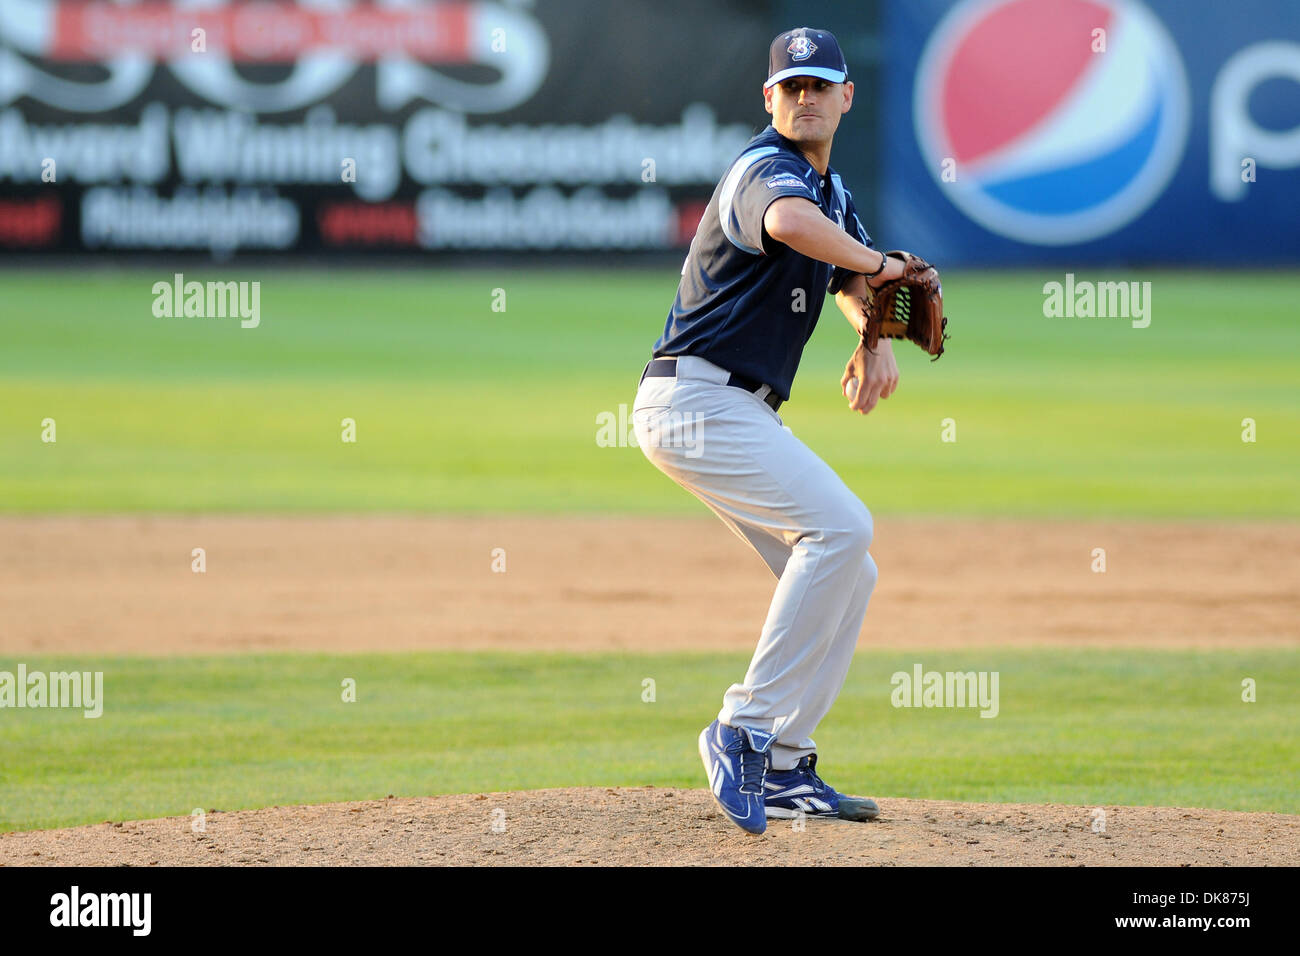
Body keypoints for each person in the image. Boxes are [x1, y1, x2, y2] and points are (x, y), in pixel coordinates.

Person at [632, 27, 910, 835]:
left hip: (734, 411)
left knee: (850, 568)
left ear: (846, 96)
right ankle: (743, 729)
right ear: (770, 100)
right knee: (842, 525)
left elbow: (849, 278)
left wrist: (873, 332)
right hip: (693, 404)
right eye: (792, 87)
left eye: (820, 85)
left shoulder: (837, 197)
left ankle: (786, 761)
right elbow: (791, 226)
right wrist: (883, 264)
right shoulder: (766, 171)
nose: (806, 98)